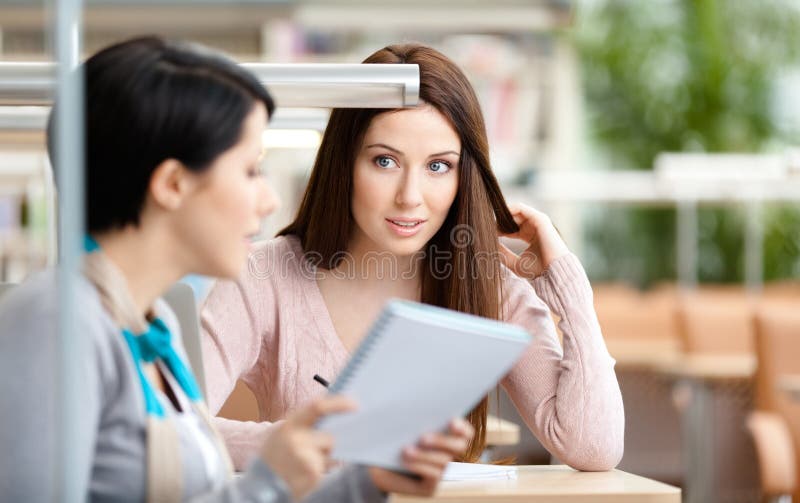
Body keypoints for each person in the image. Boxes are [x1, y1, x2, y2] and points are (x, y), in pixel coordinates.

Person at [0, 37, 473, 502]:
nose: (268, 200)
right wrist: (272, 479)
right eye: (250, 171)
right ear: (173, 184)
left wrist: (367, 480)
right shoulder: (57, 323)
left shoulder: (152, 327)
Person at [201, 42, 625, 472]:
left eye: (438, 166)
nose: (410, 197)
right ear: (344, 163)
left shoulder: (487, 284)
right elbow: (169, 431)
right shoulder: (264, 273)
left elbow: (593, 448)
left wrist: (569, 288)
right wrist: (292, 444)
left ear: (464, 177)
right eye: (384, 161)